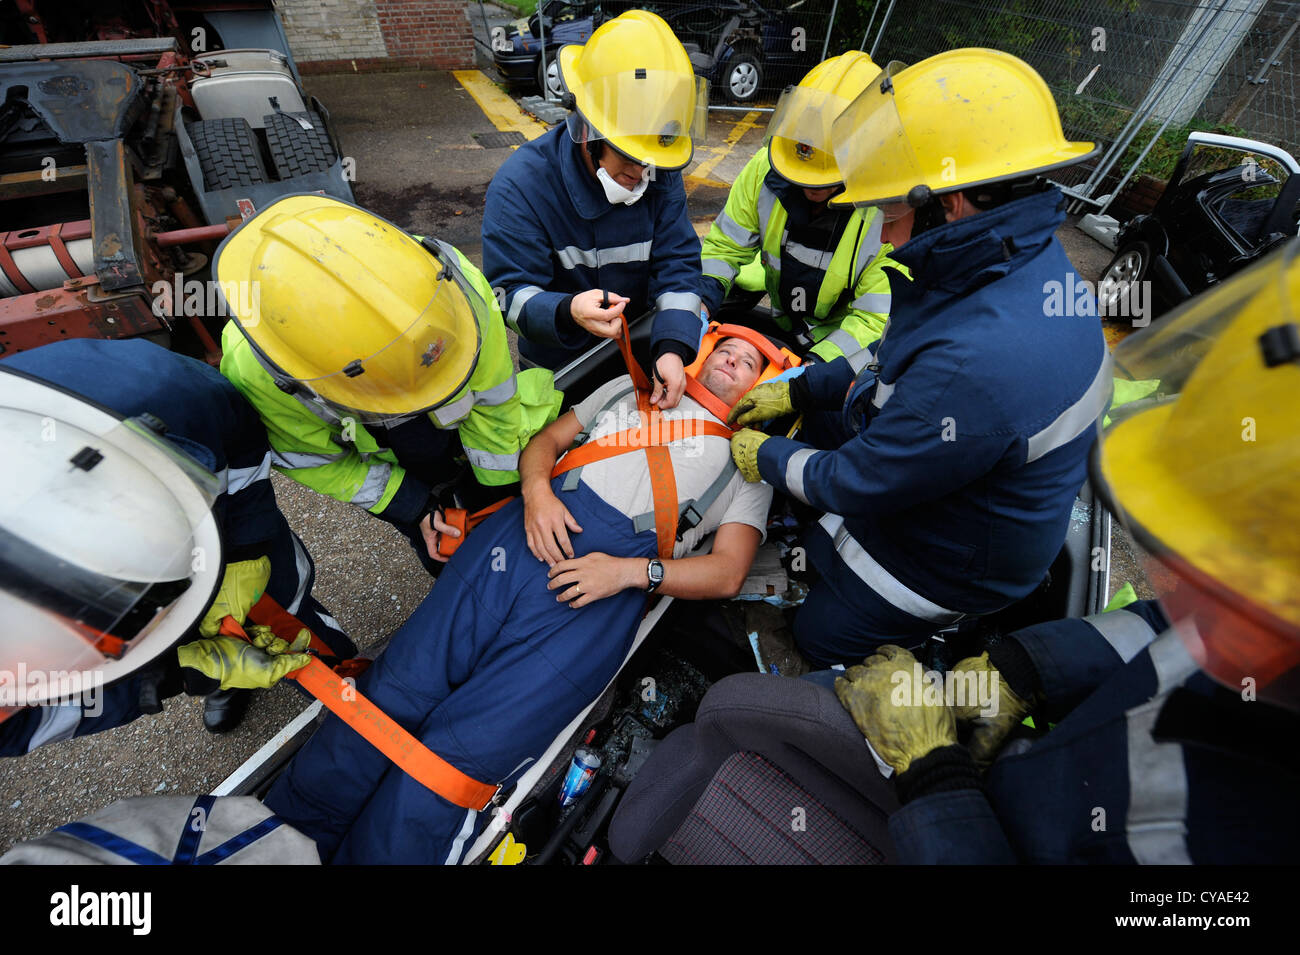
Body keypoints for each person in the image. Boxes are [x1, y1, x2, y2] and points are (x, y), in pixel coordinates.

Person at [834, 242, 1300, 862]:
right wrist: (1028, 668)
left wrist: (935, 783)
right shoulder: (1262, 621)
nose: (1180, 584)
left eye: (1222, 559)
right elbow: (1181, 632)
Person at [263, 328, 795, 863]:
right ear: (699, 359)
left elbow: (728, 573)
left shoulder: (747, 467)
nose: (733, 358)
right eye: (726, 349)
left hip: (591, 602)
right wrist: (537, 492)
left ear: (761, 389)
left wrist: (631, 573)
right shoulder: (625, 389)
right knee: (393, 691)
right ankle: (275, 843)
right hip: (513, 543)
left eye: (749, 363)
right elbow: (544, 445)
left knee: (466, 751)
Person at [727, 50, 1111, 666]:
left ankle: (939, 642)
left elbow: (859, 479)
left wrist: (766, 456)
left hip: (958, 559)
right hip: (958, 484)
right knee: (816, 490)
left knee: (817, 637)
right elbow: (892, 359)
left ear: (949, 203)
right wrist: (802, 389)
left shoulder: (983, 358)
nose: (881, 233)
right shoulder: (1007, 261)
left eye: (892, 212)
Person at [0, 338, 352, 745]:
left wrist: (246, 548)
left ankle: (337, 674)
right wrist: (175, 673)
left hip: (150, 439)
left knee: (279, 609)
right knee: (194, 633)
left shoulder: (162, 396)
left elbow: (239, 455)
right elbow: (46, 717)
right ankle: (228, 676)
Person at [217, 195, 560, 577]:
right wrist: (414, 508)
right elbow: (318, 462)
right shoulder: (260, 376)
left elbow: (493, 401)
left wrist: (507, 493)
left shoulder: (456, 286)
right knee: (448, 561)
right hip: (395, 467)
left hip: (466, 443)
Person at [483, 9, 706, 407]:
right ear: (587, 132)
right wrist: (567, 311)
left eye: (650, 160)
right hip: (559, 373)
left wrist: (672, 346)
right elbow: (507, 297)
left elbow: (679, 266)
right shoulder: (522, 185)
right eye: (628, 156)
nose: (641, 173)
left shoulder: (658, 167)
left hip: (637, 359)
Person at [699, 51, 901, 363]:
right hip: (786, 319)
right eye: (802, 175)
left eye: (825, 181)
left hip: (837, 343)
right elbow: (724, 248)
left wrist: (811, 375)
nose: (810, 189)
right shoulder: (765, 168)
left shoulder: (891, 213)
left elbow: (874, 322)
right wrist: (699, 305)